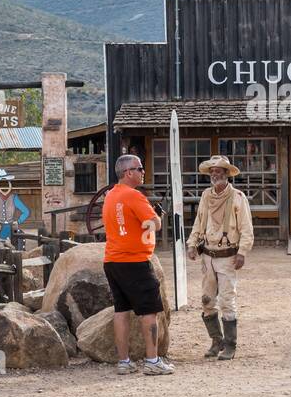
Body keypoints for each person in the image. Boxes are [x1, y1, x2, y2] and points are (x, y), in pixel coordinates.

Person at [102, 154, 173, 375]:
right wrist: (156, 217)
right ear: (128, 172)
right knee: (149, 311)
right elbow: (155, 223)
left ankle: (124, 361)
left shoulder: (110, 195)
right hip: (135, 260)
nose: (143, 172)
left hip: (113, 260)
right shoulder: (134, 196)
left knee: (121, 310)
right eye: (139, 168)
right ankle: (152, 360)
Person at [186, 155, 254, 361]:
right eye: (212, 171)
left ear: (226, 174)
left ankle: (230, 345)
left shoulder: (237, 197)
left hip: (227, 256)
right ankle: (216, 341)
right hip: (208, 255)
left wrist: (242, 252)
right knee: (207, 300)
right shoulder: (206, 196)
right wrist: (192, 243)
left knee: (227, 300)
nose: (215, 174)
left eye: (218, 171)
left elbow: (246, 228)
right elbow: (199, 222)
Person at [0, 168, 31, 248]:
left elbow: (26, 211)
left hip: (11, 226)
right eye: (1, 184)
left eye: (6, 184)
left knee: (18, 244)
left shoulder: (14, 198)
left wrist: (18, 221)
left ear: (9, 184)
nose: (4, 186)